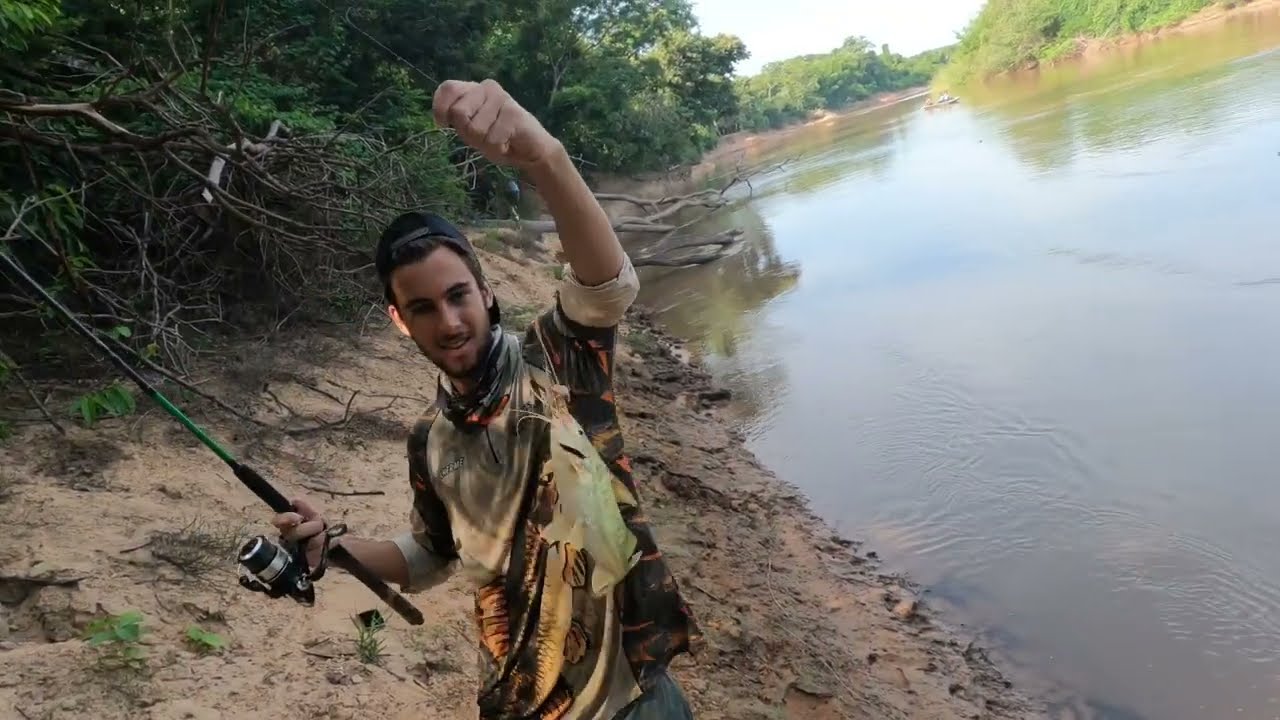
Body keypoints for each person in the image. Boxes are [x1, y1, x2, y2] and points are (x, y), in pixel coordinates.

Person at [271, 78, 702, 720]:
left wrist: (545, 158)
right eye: (422, 307)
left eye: (458, 295)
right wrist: (330, 546)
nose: (447, 321)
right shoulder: (429, 439)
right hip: (523, 700)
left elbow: (608, 285)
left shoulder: (552, 360)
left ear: (486, 290)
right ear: (399, 321)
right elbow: (429, 554)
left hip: (631, 697)